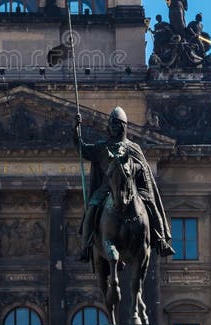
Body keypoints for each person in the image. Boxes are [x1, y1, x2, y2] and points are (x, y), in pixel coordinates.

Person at [74, 107, 174, 262]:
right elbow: (82, 149)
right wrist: (76, 129)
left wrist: (132, 170)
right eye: (112, 124)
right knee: (92, 208)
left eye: (118, 124)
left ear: (124, 127)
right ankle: (85, 246)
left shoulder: (133, 148)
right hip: (107, 188)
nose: (114, 127)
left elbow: (143, 168)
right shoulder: (102, 147)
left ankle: (161, 240)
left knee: (151, 205)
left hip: (131, 187)